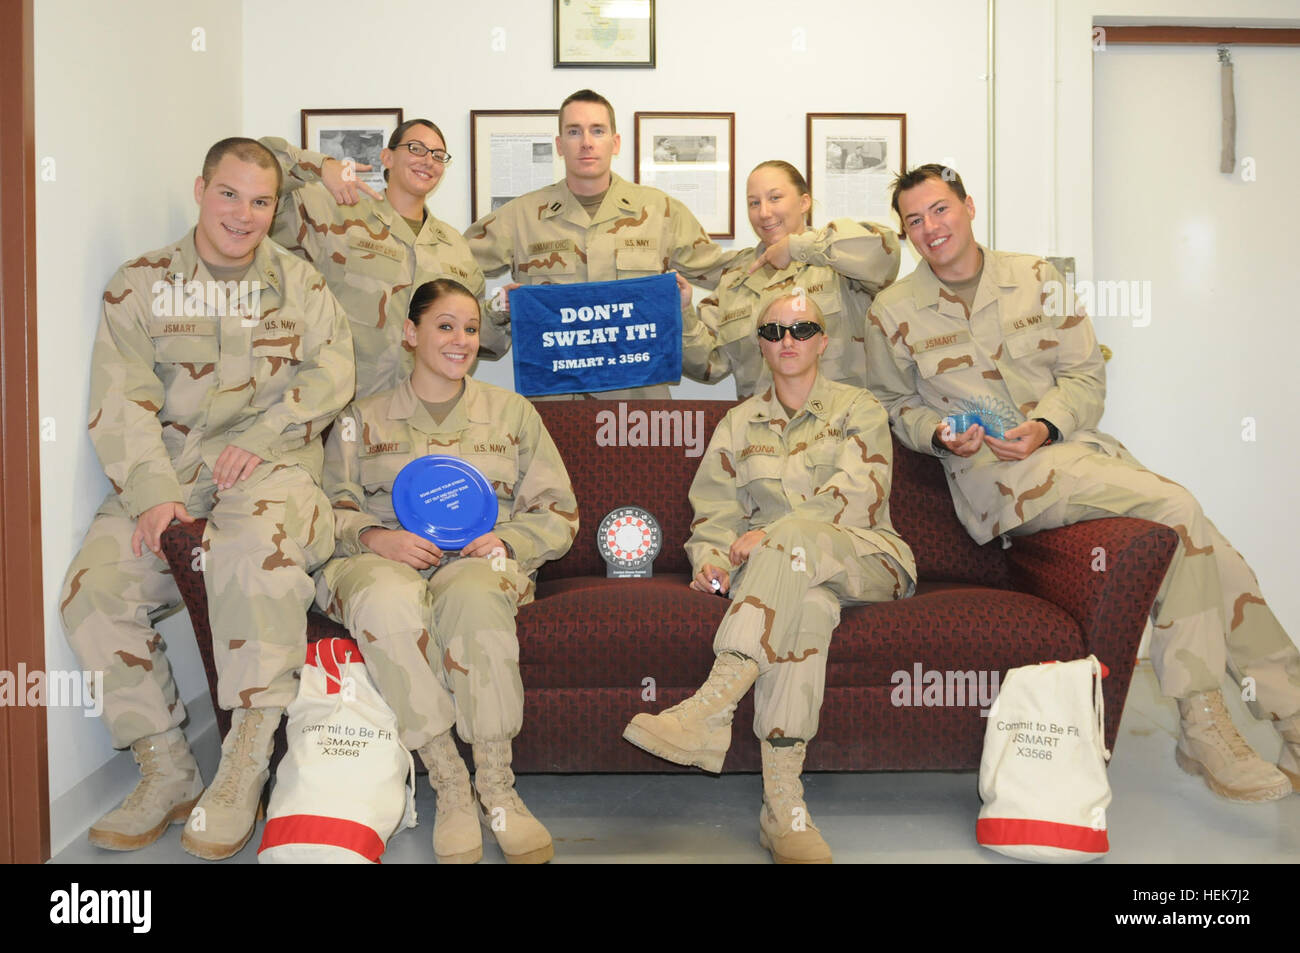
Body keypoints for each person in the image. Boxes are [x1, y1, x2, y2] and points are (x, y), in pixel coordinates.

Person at [865, 163, 1300, 802]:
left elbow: (1087, 378)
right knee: (1178, 505)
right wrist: (936, 433)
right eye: (914, 220)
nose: (930, 228)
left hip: (1076, 457)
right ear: (905, 234)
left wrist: (1045, 424)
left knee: (1204, 547)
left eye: (940, 210)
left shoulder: (1040, 279)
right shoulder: (892, 310)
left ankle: (1291, 718)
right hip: (999, 483)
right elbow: (891, 403)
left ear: (969, 206)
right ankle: (1202, 720)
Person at [58, 137, 355, 860]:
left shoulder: (301, 284)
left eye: (260, 201)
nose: (243, 214)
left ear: (275, 207)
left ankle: (243, 766)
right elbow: (121, 401)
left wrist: (276, 426)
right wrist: (155, 497)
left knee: (254, 556)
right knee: (92, 590)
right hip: (173, 471)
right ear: (200, 189)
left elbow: (335, 369)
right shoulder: (139, 284)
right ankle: (164, 767)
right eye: (229, 194)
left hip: (277, 471)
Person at [623, 293, 916, 863]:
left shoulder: (859, 408)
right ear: (760, 343)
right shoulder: (738, 423)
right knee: (804, 606)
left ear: (822, 341)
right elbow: (713, 514)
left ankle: (710, 706)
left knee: (792, 541)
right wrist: (710, 557)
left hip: (867, 557)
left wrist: (775, 535)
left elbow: (856, 494)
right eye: (775, 330)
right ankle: (784, 805)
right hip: (787, 579)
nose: (788, 339)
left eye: (802, 328)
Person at [316, 278, 579, 864]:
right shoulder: (363, 418)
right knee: (386, 603)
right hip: (383, 562)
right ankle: (450, 786)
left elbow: (559, 512)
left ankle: (496, 785)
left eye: (469, 328)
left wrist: (506, 538)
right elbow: (325, 504)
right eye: (444, 325)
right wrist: (376, 536)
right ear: (411, 333)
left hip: (479, 563)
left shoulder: (512, 412)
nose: (459, 339)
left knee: (473, 592)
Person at [463, 88, 742, 399]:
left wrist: (792, 248)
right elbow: (449, 271)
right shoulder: (521, 217)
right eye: (573, 131)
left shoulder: (661, 213)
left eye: (597, 130)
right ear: (559, 145)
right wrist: (493, 311)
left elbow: (730, 273)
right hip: (553, 408)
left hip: (637, 412)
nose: (586, 142)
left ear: (615, 142)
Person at [261, 119, 491, 398]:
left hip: (426, 414)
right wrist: (322, 166)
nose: (428, 161)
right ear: (387, 157)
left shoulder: (456, 246)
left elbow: (476, 334)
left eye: (438, 155)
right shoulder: (337, 215)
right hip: (347, 406)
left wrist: (504, 312)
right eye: (416, 149)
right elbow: (256, 165)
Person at [682, 160, 899, 399]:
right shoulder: (735, 279)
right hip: (762, 429)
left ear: (804, 202)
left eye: (775, 198)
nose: (764, 212)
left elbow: (885, 249)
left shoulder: (837, 262)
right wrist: (682, 311)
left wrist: (797, 247)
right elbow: (708, 365)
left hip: (840, 429)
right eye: (754, 203)